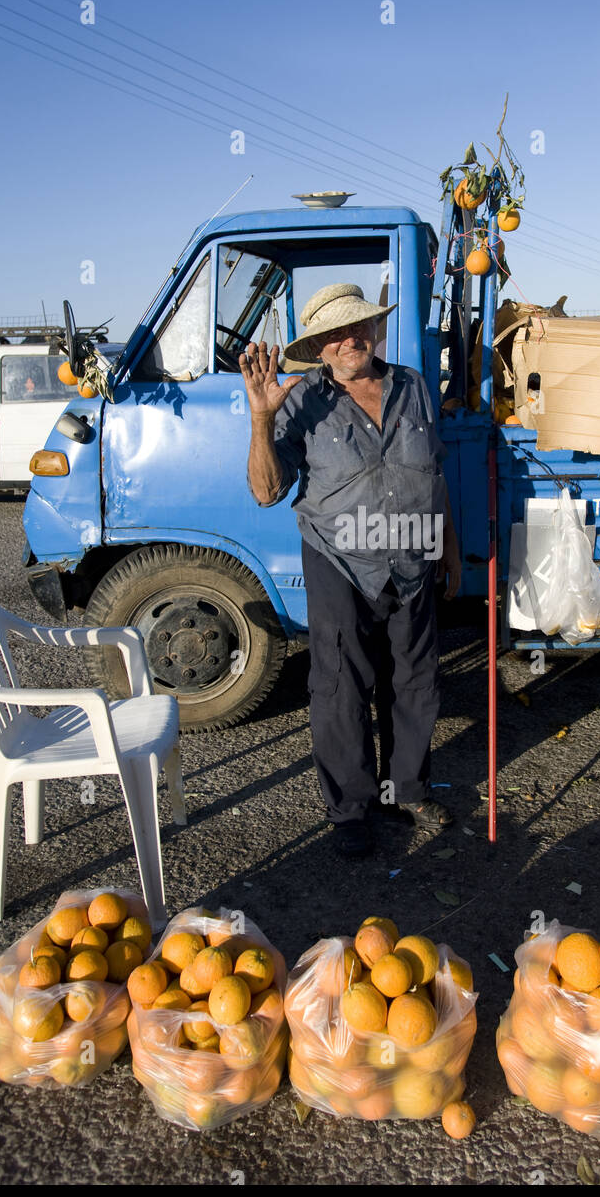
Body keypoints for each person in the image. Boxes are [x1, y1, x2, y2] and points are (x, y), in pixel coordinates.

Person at [240, 282, 461, 857]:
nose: (349, 340)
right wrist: (261, 420)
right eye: (334, 334)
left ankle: (405, 790)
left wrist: (452, 548)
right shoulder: (300, 400)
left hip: (414, 552)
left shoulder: (413, 387)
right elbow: (266, 491)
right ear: (319, 348)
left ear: (375, 329)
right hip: (339, 558)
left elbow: (434, 472)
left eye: (357, 327)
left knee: (414, 681)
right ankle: (352, 810)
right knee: (340, 686)